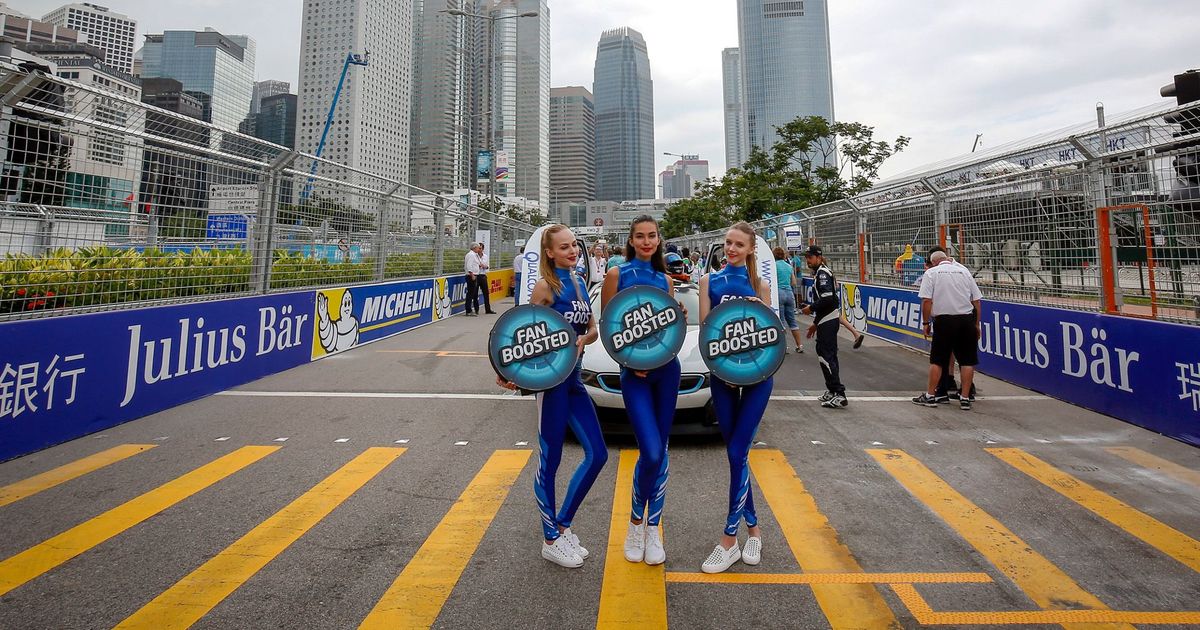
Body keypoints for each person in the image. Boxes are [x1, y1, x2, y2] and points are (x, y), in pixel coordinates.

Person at [496, 224, 608, 568]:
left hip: (574, 379)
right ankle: (550, 538)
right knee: (551, 459)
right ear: (549, 253)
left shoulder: (577, 282)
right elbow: (523, 333)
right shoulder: (546, 287)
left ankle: (562, 524)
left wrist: (584, 340)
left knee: (598, 454)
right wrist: (510, 372)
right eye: (564, 247)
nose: (572, 251)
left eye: (574, 245)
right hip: (550, 384)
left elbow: (590, 328)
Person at [601, 215, 680, 567]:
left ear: (659, 240)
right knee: (649, 452)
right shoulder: (617, 275)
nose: (647, 241)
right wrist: (631, 362)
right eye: (640, 237)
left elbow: (671, 332)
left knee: (661, 451)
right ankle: (635, 523)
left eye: (652, 236)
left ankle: (653, 528)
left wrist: (676, 315)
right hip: (634, 376)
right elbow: (609, 328)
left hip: (668, 372)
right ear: (631, 241)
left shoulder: (665, 279)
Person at [698, 223, 772, 574]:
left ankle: (729, 540)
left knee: (737, 451)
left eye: (738, 244)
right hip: (722, 376)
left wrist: (762, 308)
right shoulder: (708, 283)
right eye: (727, 242)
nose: (730, 248)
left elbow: (770, 337)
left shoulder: (761, 285)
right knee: (736, 454)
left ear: (750, 249)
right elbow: (706, 332)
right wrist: (722, 370)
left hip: (758, 376)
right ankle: (754, 531)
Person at [912, 250, 983, 411]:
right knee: (967, 361)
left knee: (937, 360)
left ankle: (931, 395)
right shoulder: (964, 271)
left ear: (934, 262)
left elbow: (927, 301)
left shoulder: (931, 273)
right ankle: (965, 398)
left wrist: (925, 322)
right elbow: (977, 301)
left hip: (944, 321)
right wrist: (977, 324)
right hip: (966, 319)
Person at [800, 245, 847, 408]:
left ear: (819, 257)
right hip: (825, 320)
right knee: (824, 355)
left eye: (810, 257)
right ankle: (833, 390)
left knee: (827, 356)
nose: (808, 260)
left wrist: (810, 308)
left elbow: (828, 300)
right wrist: (815, 323)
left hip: (829, 320)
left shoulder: (822, 274)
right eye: (806, 257)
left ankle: (839, 393)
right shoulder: (820, 273)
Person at [772, 246, 805, 354]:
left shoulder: (774, 266)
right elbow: (794, 282)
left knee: (781, 321)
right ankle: (799, 345)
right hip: (789, 293)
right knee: (792, 321)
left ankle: (784, 347)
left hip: (779, 292)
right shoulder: (788, 266)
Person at [477, 242, 496, 314]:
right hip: (476, 275)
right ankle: (476, 309)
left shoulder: (485, 256)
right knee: (475, 293)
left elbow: (487, 266)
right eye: (478, 248)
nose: (479, 250)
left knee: (486, 293)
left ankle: (488, 309)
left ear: (483, 249)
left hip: (483, 275)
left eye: (480, 248)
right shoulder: (475, 256)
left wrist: (484, 266)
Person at [464, 243, 482, 316]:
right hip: (471, 275)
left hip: (473, 275)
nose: (479, 249)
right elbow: (469, 265)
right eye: (478, 248)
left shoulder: (473, 255)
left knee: (472, 293)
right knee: (470, 293)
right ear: (474, 248)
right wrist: (472, 274)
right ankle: (468, 310)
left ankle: (469, 310)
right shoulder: (471, 255)